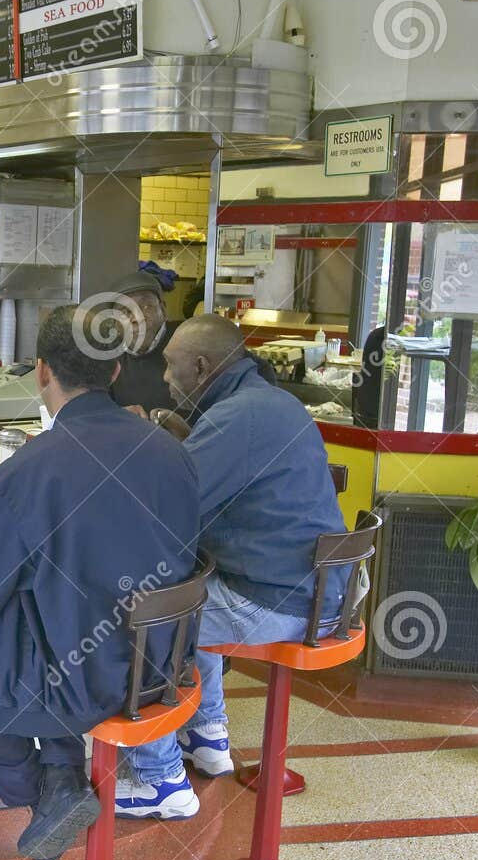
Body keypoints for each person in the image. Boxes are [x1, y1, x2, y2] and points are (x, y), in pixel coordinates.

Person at [0, 304, 201, 860]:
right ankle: (59, 778)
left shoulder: (27, 471)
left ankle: (50, 797)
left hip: (81, 679)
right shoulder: (172, 452)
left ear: (42, 371)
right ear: (116, 370)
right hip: (163, 665)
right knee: (39, 616)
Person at [119, 315, 352, 819]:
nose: (165, 377)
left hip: (283, 602)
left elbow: (172, 507)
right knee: (194, 595)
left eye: (171, 365)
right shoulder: (268, 402)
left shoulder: (237, 417)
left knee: (144, 620)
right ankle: (207, 735)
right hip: (319, 590)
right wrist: (180, 436)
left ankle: (157, 779)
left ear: (202, 367)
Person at [107, 270, 178, 415]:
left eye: (146, 307)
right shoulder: (105, 355)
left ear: (163, 310)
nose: (137, 318)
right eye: (125, 311)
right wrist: (117, 415)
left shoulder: (185, 345)